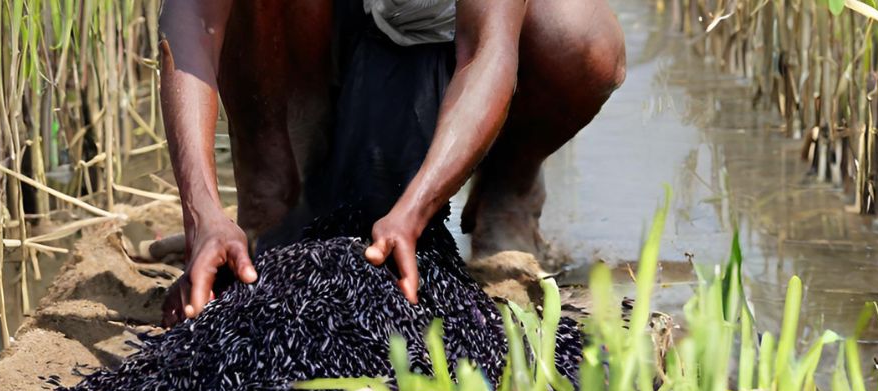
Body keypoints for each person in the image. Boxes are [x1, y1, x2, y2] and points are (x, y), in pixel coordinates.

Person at [157, 0, 626, 326]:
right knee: (304, 231)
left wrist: (415, 209)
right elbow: (195, 18)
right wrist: (202, 213)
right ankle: (272, 196)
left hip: (445, 34)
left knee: (579, 42)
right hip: (317, 33)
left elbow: (486, 48)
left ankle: (508, 196)